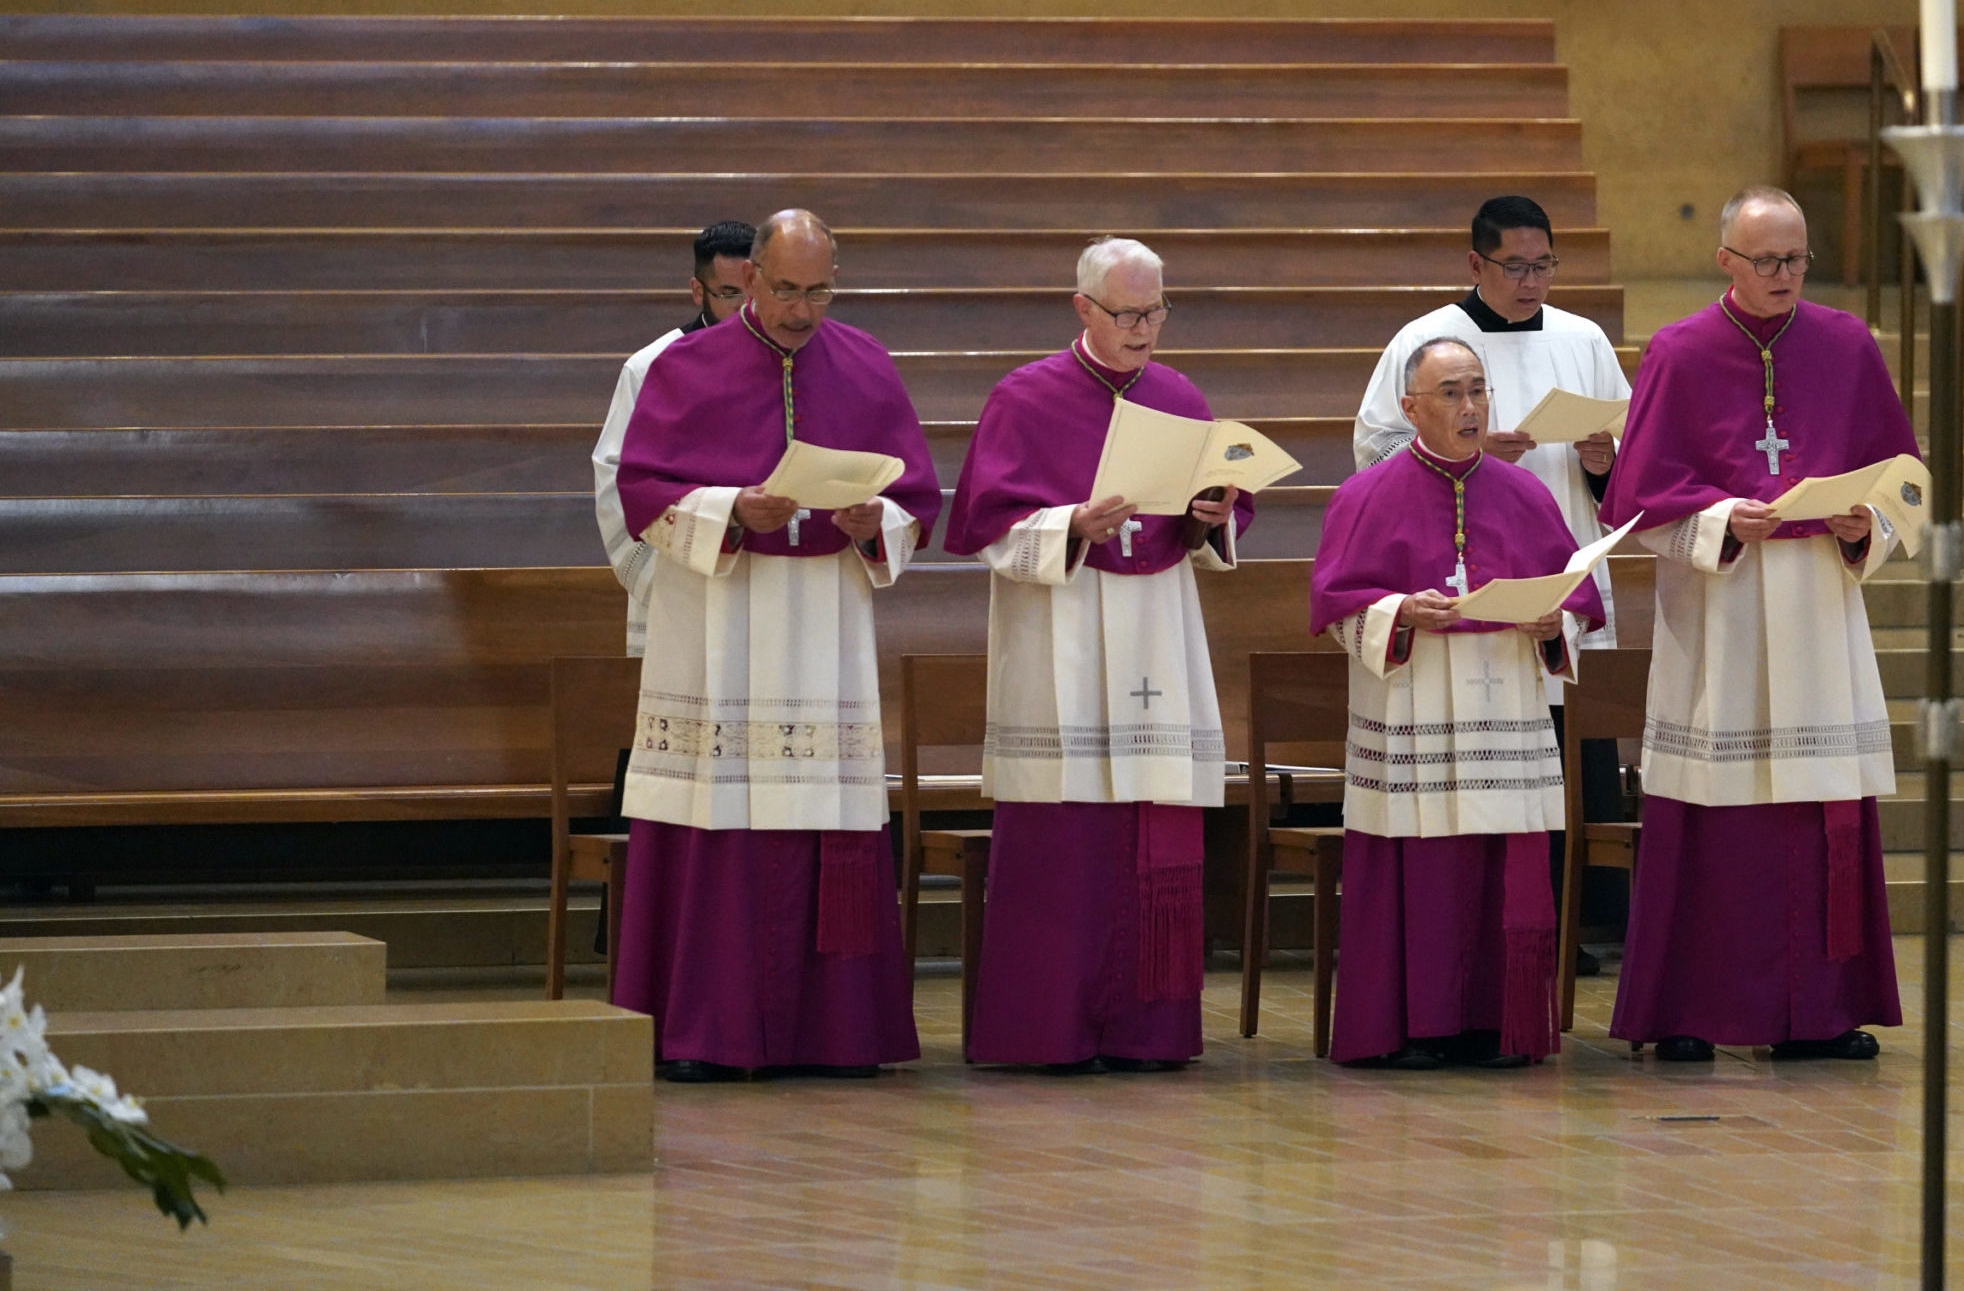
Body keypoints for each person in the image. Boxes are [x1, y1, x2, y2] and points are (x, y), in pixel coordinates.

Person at [609, 209, 942, 1082]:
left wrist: (880, 520)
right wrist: (730, 509)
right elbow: (640, 493)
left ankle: (835, 1033)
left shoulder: (866, 361)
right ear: (750, 278)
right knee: (718, 818)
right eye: (786, 289)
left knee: (826, 816)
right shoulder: (682, 368)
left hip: (824, 619)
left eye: (819, 290)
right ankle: (706, 1031)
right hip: (723, 620)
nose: (801, 310)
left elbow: (918, 493)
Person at [1600, 186, 1917, 1064]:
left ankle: (1818, 1012)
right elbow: (1635, 503)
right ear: (1726, 262)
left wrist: (1870, 526)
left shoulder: (1848, 346)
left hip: (1819, 604)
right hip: (1721, 611)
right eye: (1767, 261)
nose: (1785, 276)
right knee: (1713, 813)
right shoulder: (1679, 352)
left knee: (1822, 817)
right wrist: (1717, 522)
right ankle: (1693, 1010)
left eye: (1797, 259)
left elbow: (1903, 476)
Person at [943, 236, 1250, 1075]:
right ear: (1083, 309)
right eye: (1129, 313)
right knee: (1063, 840)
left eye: (1157, 311)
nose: (1146, 328)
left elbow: (1214, 516)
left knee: (1152, 831)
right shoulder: (1025, 397)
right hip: (1062, 635)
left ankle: (1148, 1032)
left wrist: (1213, 511)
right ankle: (1044, 1030)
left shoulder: (1182, 396)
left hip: (1156, 625)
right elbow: (984, 526)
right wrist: (1069, 524)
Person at [1351, 194, 1635, 969]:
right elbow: (1374, 455)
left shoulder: (1582, 339)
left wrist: (1603, 463)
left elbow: (1637, 463)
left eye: (1544, 265)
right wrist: (1460, 452)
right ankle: (1486, 932)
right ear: (1475, 263)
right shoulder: (1427, 340)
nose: (1532, 281)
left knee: (1566, 758)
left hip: (1555, 582)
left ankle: (1567, 925)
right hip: (1462, 591)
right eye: (1515, 266)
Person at [1311, 338, 1602, 1070]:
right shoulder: (1364, 496)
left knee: (1502, 864)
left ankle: (1498, 1024)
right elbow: (1337, 610)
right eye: (1451, 393)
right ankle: (1414, 1025)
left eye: (1478, 391)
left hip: (1505, 705)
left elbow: (1576, 597)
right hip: (1417, 712)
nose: (1470, 407)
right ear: (1410, 409)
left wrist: (1552, 624)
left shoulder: (1528, 493)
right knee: (1425, 869)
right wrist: (1401, 610)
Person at [593, 219, 756, 657]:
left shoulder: (788, 364)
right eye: (730, 294)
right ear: (697, 291)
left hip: (768, 583)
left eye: (756, 290)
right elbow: (615, 483)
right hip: (679, 583)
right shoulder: (650, 368)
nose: (747, 307)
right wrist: (666, 585)